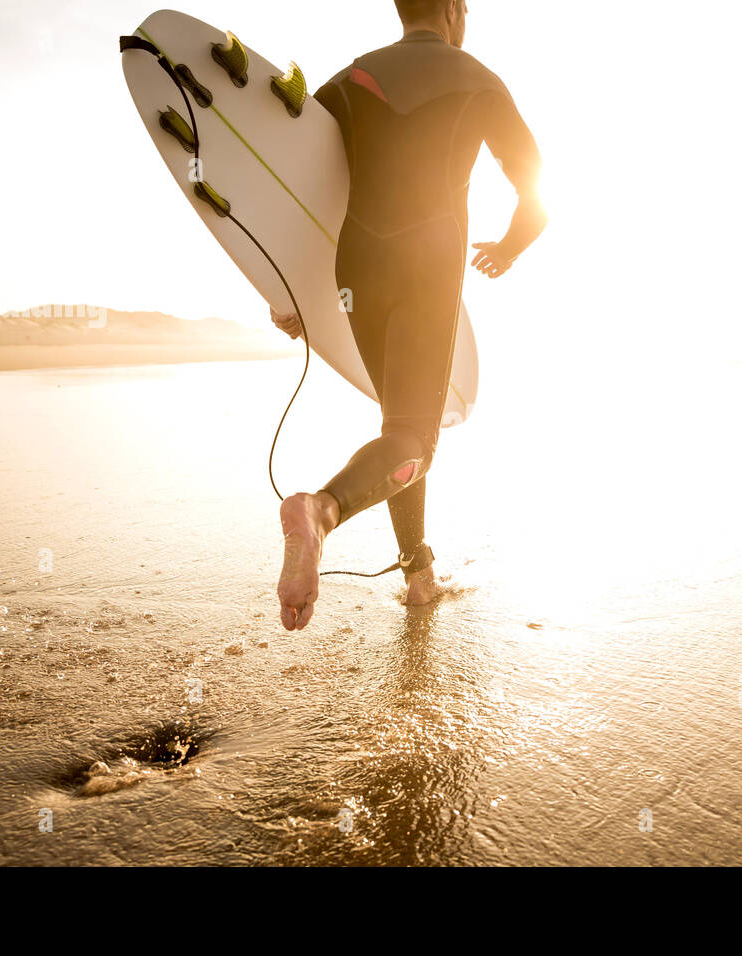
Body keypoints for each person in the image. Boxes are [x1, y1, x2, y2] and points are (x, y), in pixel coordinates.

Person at [271, 0, 547, 631]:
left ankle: (417, 574)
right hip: (428, 270)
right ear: (454, 10)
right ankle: (322, 509)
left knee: (401, 425)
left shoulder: (349, 79)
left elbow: (298, 184)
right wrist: (508, 248)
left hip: (356, 271)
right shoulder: (478, 80)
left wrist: (291, 291)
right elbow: (536, 193)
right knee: (416, 440)